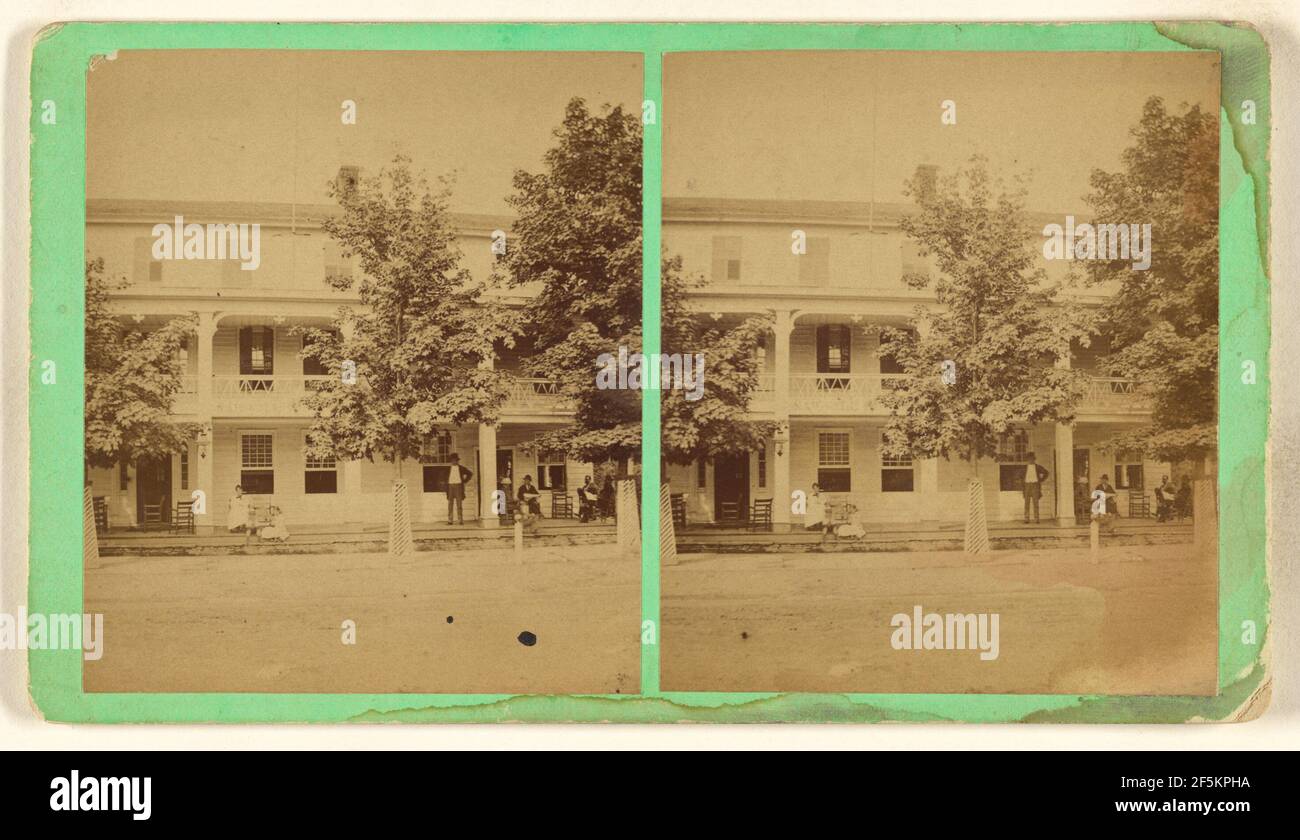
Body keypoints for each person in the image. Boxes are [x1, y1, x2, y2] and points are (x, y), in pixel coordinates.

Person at [444, 453, 473, 525]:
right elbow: (444, 478)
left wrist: (464, 481)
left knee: (459, 504)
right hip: (450, 486)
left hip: (458, 486)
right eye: (453, 460)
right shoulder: (448, 469)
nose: (454, 461)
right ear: (451, 461)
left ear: (457, 461)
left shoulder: (461, 468)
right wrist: (445, 484)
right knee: (450, 504)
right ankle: (450, 520)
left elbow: (470, 473)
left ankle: (460, 520)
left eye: (455, 460)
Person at [1022, 452, 1049, 524]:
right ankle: (1026, 518)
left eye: (1032, 459)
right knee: (1026, 502)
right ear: (1027, 459)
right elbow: (1019, 476)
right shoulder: (1024, 468)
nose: (1030, 460)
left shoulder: (1038, 467)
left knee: (1035, 502)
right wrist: (1022, 483)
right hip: (1027, 485)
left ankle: (1036, 518)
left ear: (1034, 459)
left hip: (1035, 485)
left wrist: (1041, 480)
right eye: (1029, 459)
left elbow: (1046, 472)